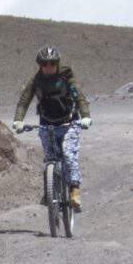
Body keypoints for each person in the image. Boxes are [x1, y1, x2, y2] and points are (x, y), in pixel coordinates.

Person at [11, 45, 92, 211]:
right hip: (47, 122)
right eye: (44, 65)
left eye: (52, 64)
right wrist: (18, 120)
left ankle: (74, 191)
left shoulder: (66, 76)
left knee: (69, 155)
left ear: (57, 64)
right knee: (49, 159)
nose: (48, 68)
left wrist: (85, 116)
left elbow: (80, 96)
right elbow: (24, 100)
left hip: (69, 122)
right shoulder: (36, 80)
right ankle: (49, 191)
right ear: (40, 65)